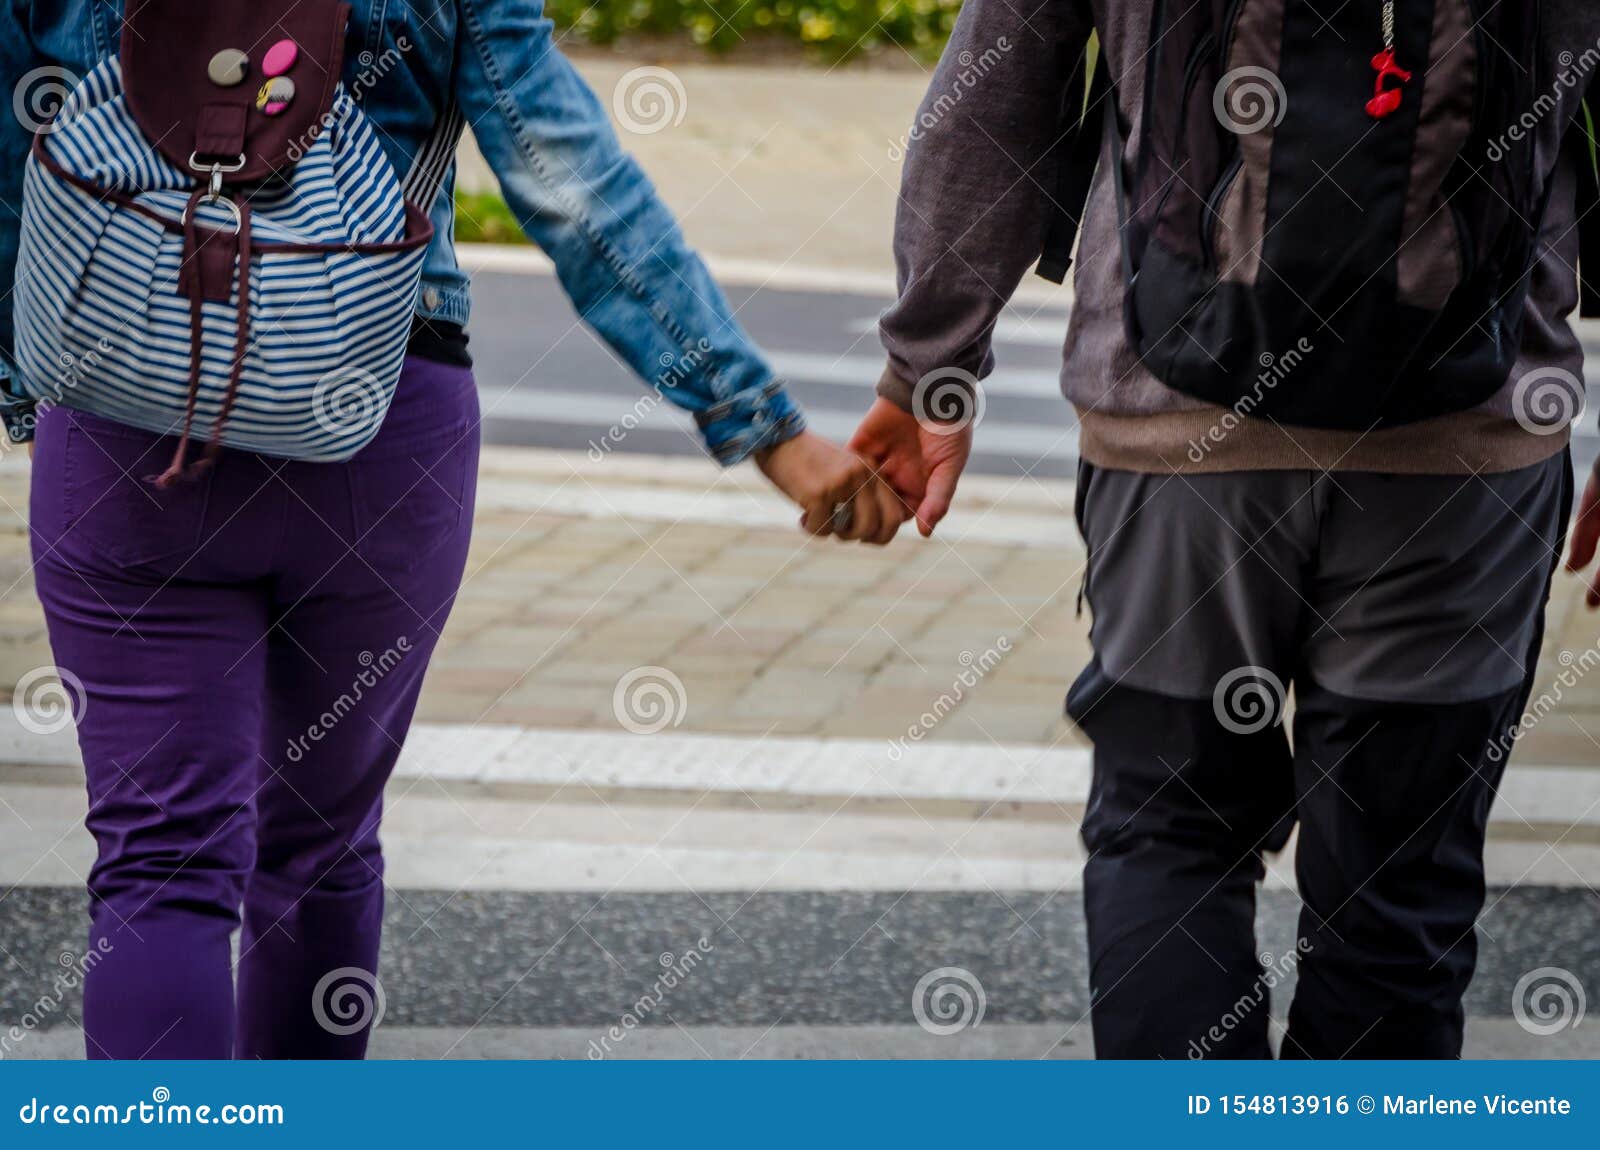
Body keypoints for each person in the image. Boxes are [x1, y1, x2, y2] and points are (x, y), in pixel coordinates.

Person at [0, 0, 904, 1060]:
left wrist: (28, 384)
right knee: (319, 853)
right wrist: (766, 431)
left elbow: (18, 162)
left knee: (162, 862)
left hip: (131, 426)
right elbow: (573, 186)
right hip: (379, 422)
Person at [853, 0, 1600, 1058]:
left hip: (1174, 426)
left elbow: (997, 83)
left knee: (1171, 832)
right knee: (1398, 891)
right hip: (1464, 447)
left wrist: (931, 363)